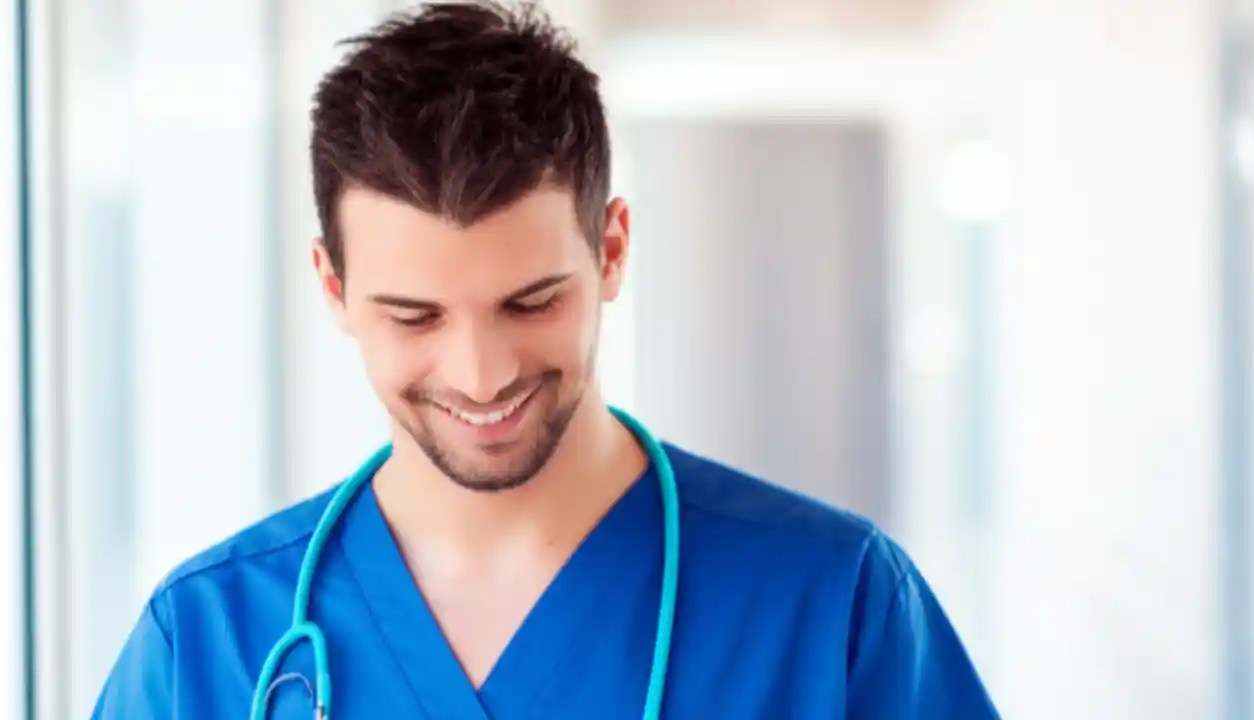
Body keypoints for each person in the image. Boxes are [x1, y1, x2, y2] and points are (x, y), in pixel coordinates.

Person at [93, 2, 999, 718]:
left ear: (612, 249)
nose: (480, 373)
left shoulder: (829, 609)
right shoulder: (210, 644)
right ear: (332, 286)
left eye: (531, 303)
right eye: (414, 316)